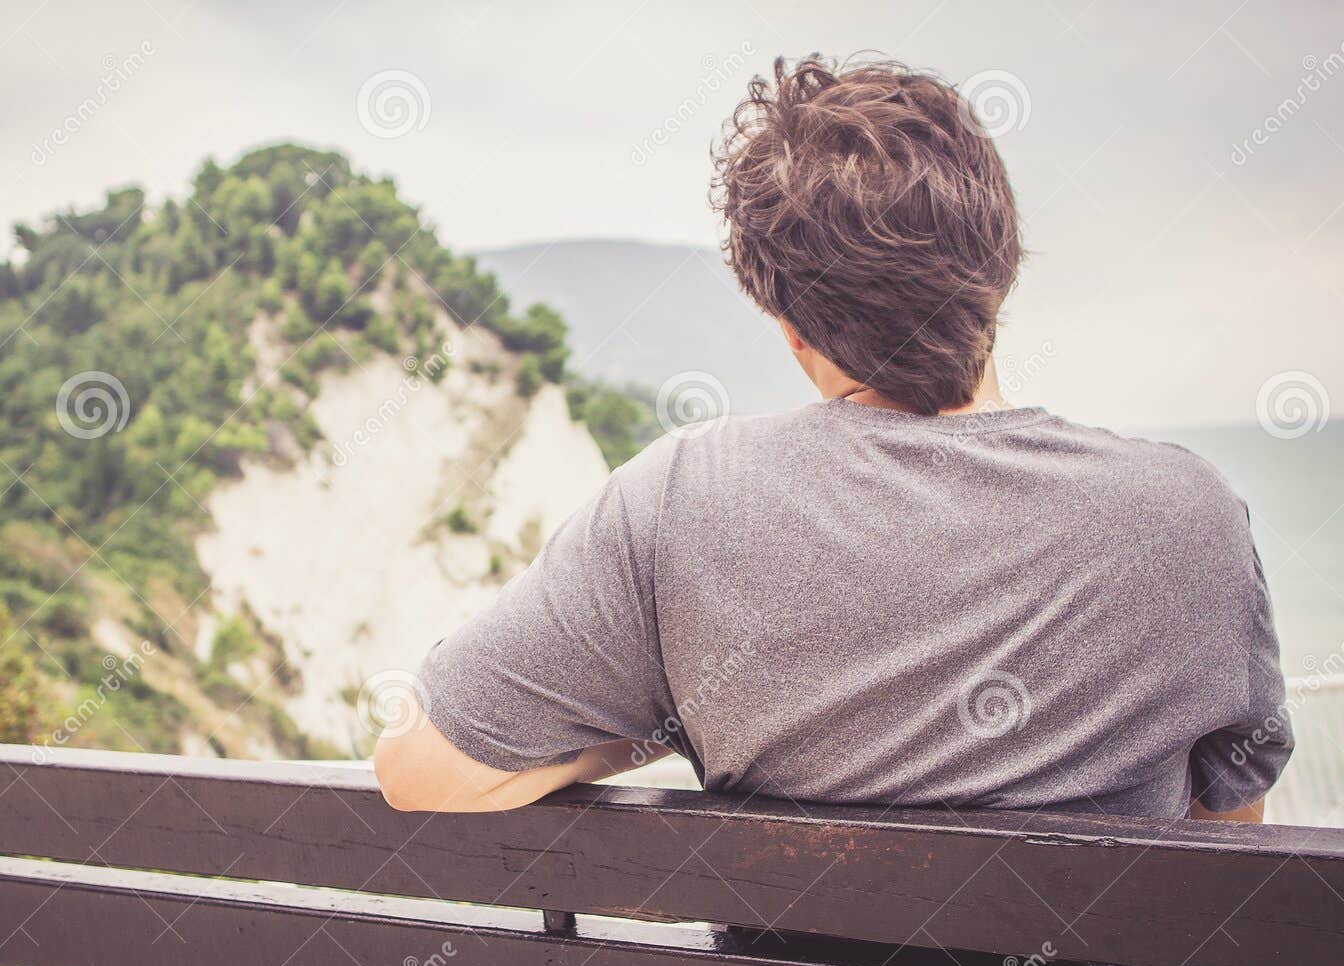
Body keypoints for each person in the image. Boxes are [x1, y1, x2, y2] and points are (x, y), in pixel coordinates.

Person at [373, 54, 1292, 821]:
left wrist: (661, 719)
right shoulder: (1190, 517)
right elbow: (1225, 848)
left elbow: (419, 765)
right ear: (1000, 266)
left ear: (793, 328)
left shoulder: (681, 501)